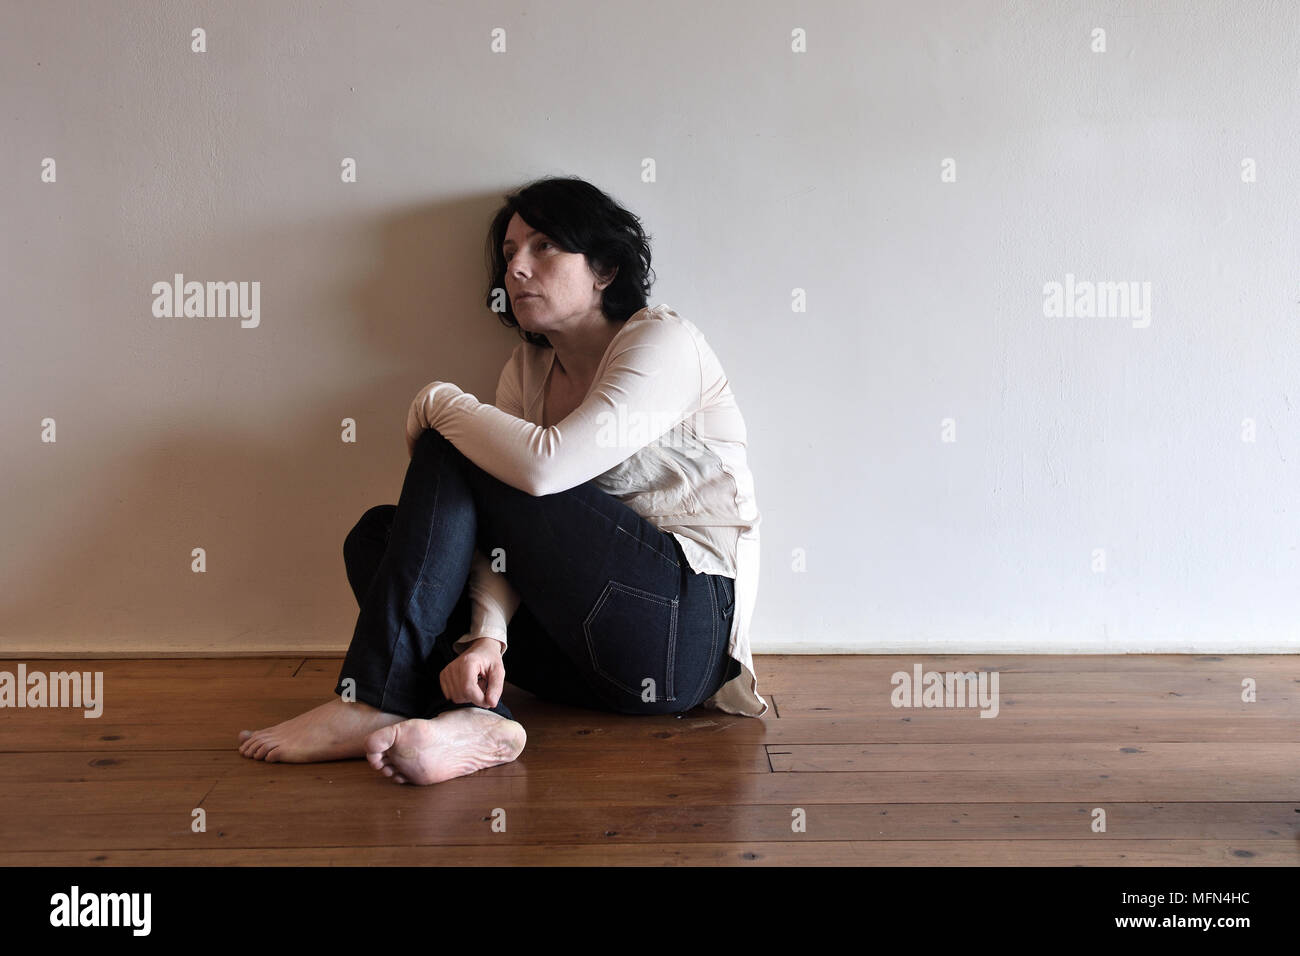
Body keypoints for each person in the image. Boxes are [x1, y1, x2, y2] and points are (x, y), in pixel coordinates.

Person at [237, 175, 766, 785]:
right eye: (511, 252)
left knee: (458, 438)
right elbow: (503, 524)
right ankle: (479, 719)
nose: (517, 268)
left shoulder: (662, 341)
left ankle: (371, 698)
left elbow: (546, 466)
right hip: (577, 660)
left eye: (544, 247)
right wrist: (486, 639)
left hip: (678, 640)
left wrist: (438, 402)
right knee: (376, 539)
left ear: (606, 269)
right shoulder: (527, 370)